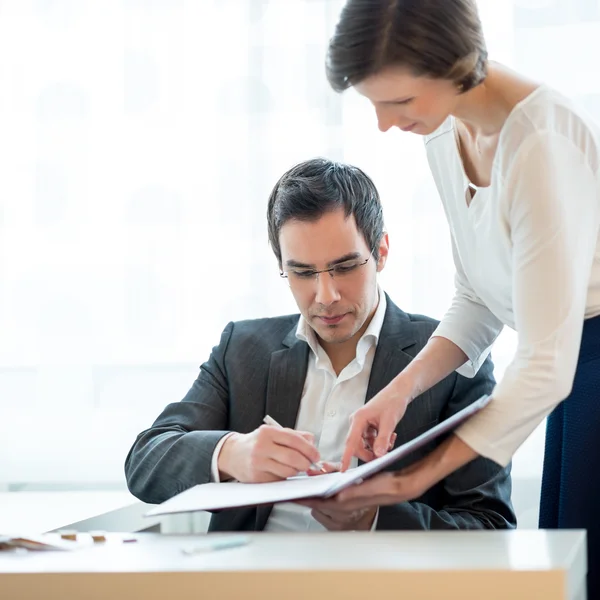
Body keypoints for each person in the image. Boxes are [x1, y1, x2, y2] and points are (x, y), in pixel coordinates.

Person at [318, 0, 600, 596]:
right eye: (373, 103)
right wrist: (397, 393)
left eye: (397, 103)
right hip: (578, 367)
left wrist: (412, 479)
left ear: (455, 64)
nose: (383, 125)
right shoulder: (445, 127)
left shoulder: (542, 142)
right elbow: (479, 295)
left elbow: (547, 364)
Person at [124, 158, 515, 533]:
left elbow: (490, 525)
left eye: (344, 267)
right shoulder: (241, 350)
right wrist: (231, 454)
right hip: (250, 584)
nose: (324, 295)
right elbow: (145, 464)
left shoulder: (454, 357)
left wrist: (374, 519)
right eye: (303, 272)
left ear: (381, 252)